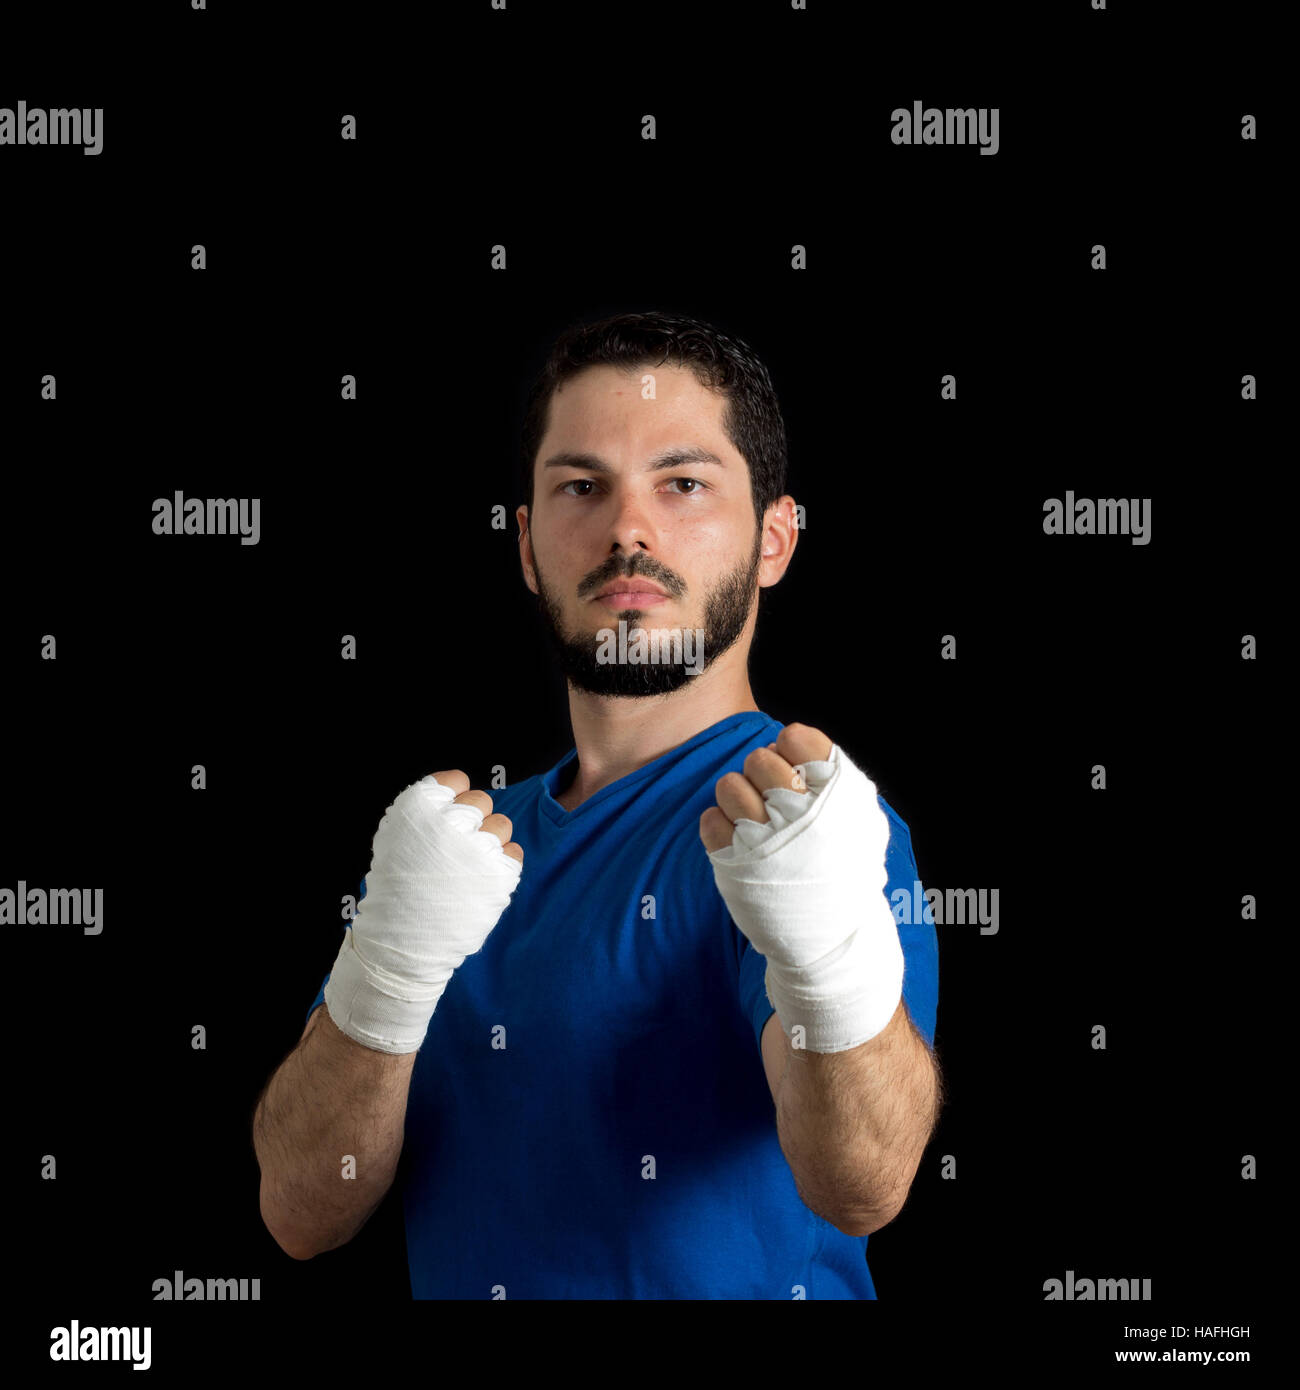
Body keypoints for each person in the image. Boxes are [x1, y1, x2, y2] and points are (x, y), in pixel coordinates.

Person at [252, 310, 943, 1298]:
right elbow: (299, 1210)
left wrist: (825, 949)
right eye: (583, 486)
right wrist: (389, 963)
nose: (628, 526)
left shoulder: (796, 827)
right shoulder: (447, 855)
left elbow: (862, 1184)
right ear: (528, 547)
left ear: (773, 540)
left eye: (684, 484)